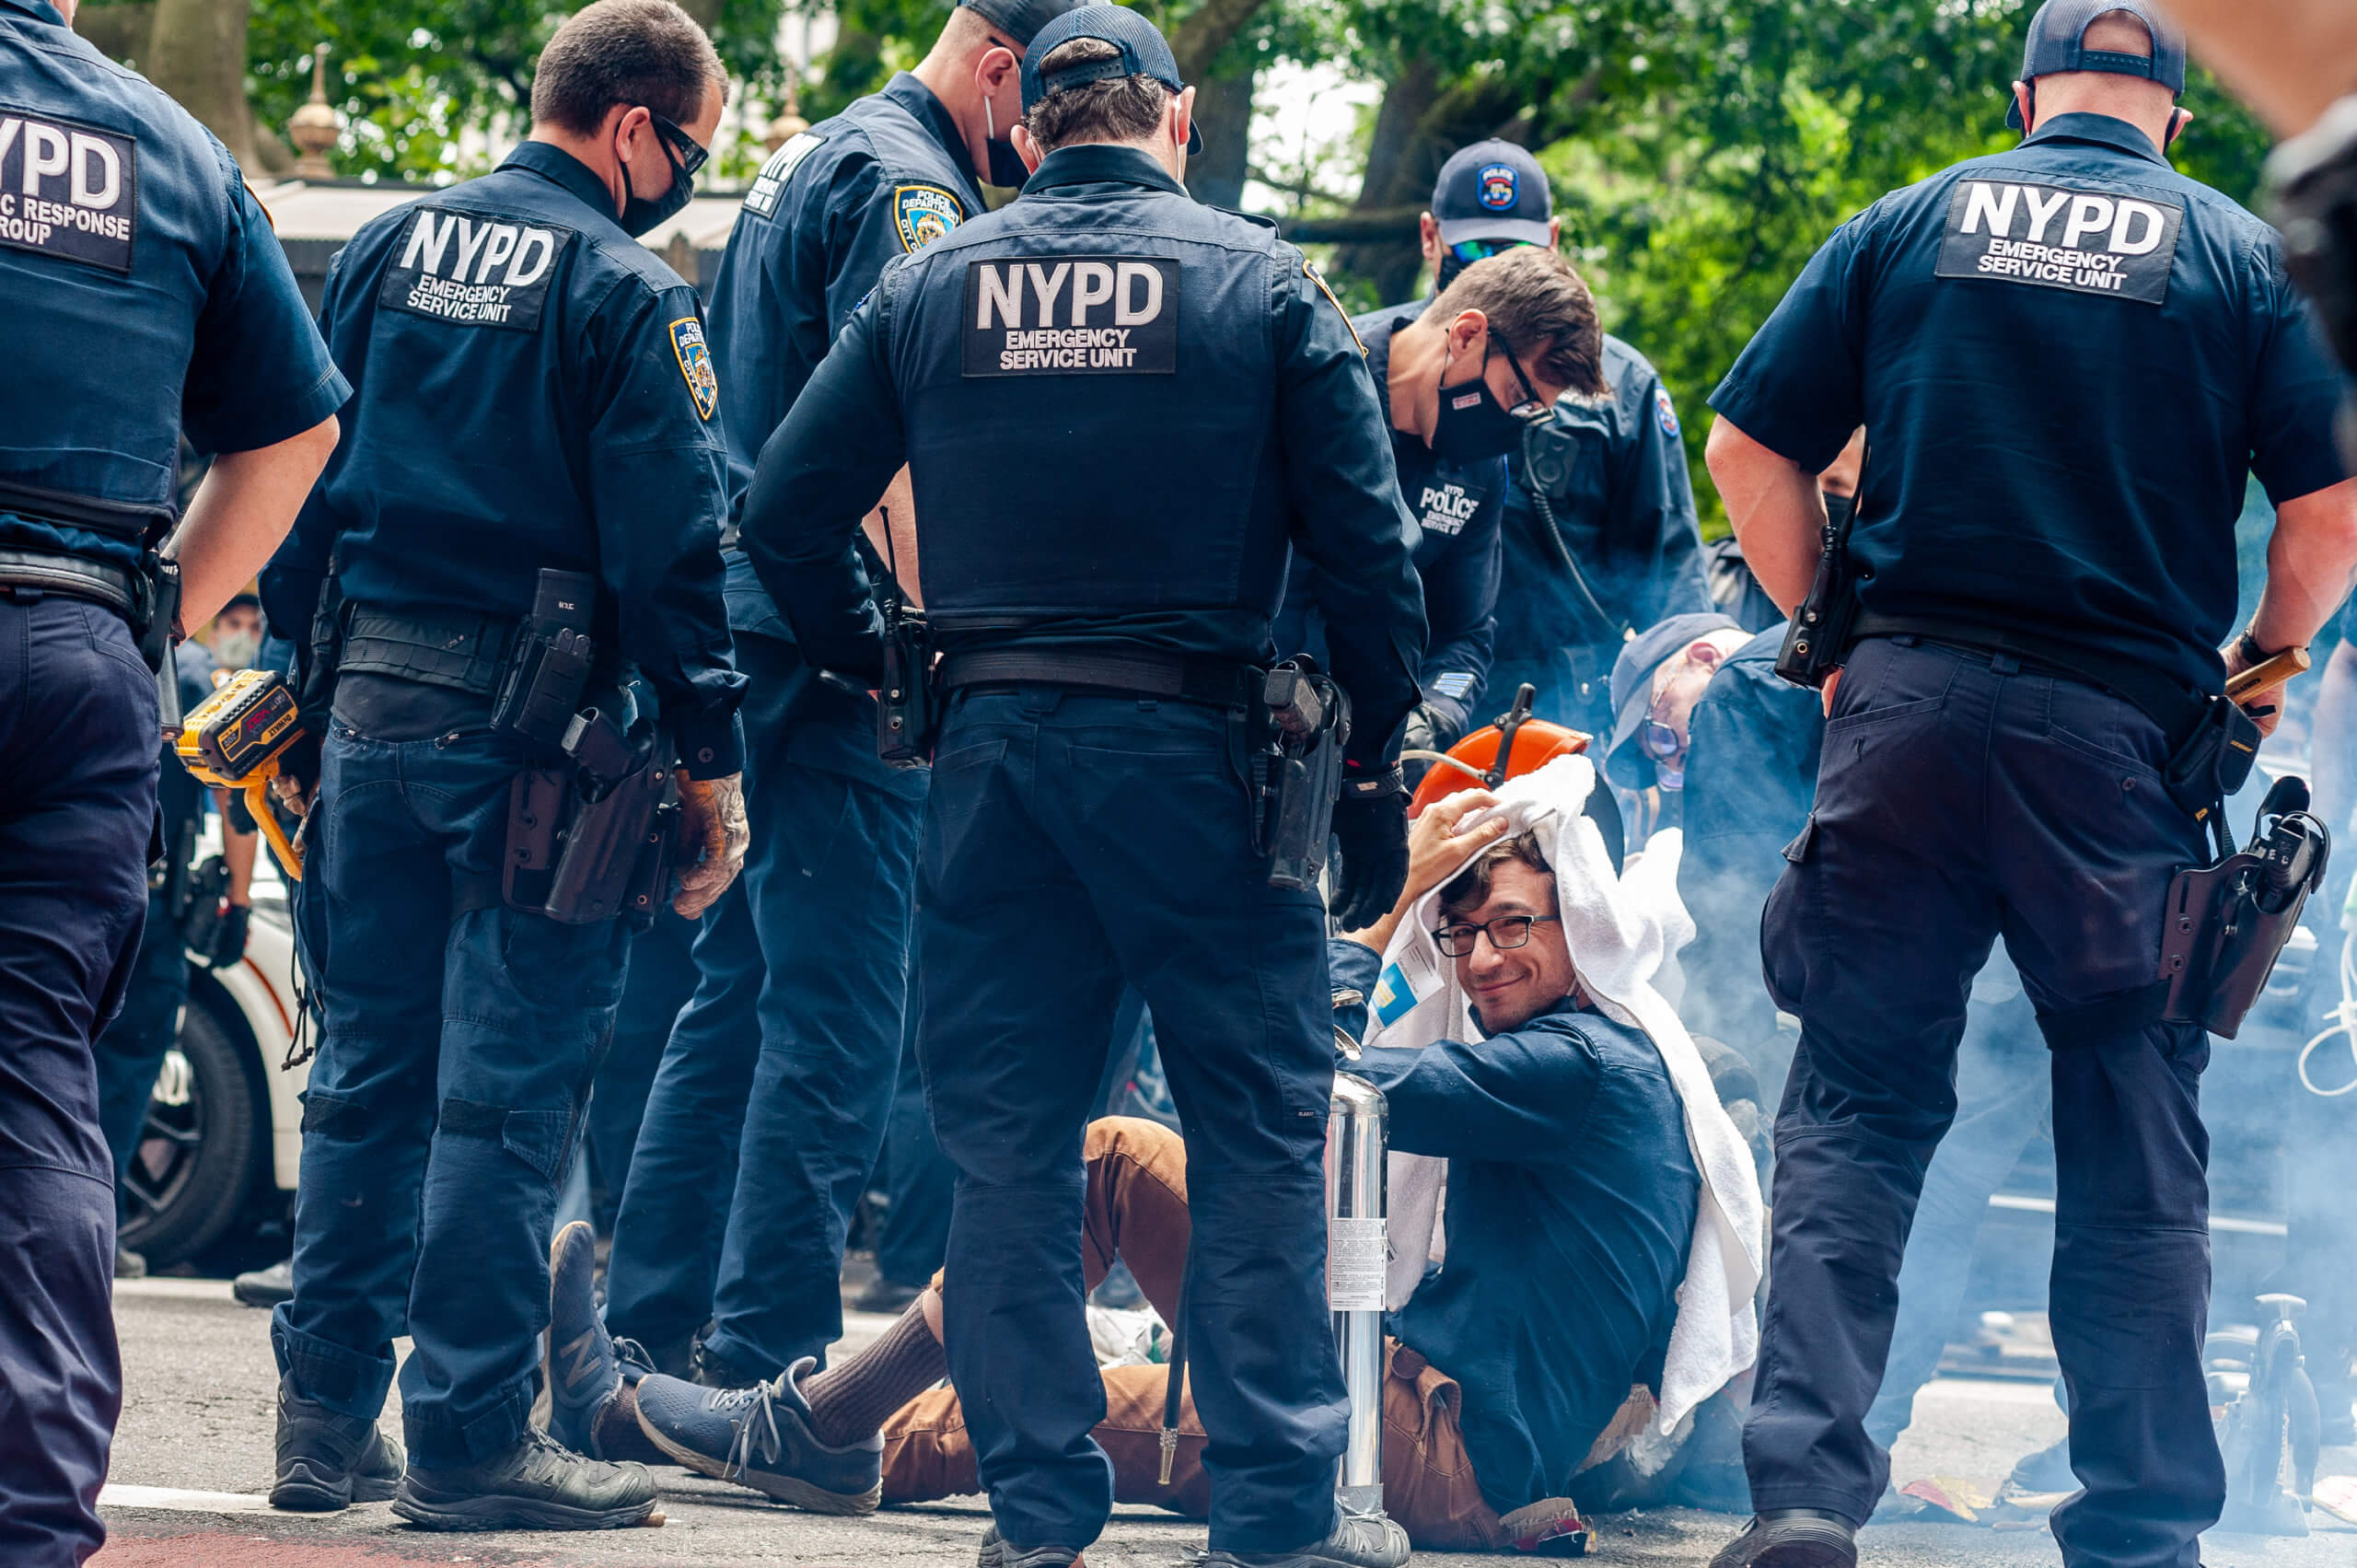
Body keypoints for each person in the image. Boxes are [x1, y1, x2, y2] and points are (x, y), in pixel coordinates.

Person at [633, 9, 1430, 1564]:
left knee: (1005, 1147)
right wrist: (1380, 768)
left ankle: (1040, 1514)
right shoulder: (1266, 285)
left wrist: (882, 657)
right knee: (1256, 1131)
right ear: (1174, 123)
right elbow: (1372, 558)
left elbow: (783, 511)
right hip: (1214, 763)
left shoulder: (936, 283)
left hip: (992, 763)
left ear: (1032, 120)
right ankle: (1272, 1519)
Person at [1701, 5, 2357, 1565]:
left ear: (2023, 97)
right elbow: (2330, 514)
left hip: (1905, 717)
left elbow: (1745, 450)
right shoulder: (2235, 254)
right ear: (2177, 117)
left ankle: (1802, 1496)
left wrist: (1834, 644)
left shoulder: (1910, 220)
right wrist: (2252, 682)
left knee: (1856, 1107)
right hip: (2120, 743)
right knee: (2131, 1124)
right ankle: (2135, 1524)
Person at [543, 796, 1704, 1549]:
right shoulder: (1591, 1056)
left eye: (1514, 924)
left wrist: (1393, 900)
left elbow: (1319, 1082)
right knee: (1106, 1161)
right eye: (1464, 934)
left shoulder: (1579, 1062)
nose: (1484, 956)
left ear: (1586, 925)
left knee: (1043, 1399)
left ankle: (713, 1424)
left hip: (1440, 1451)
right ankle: (767, 1422)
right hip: (1413, 1396)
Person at [254, 0, 749, 1531]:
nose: (686, 179)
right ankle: (470, 1435)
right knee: (504, 1103)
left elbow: (300, 477)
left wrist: (298, 675)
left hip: (368, 717)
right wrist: (716, 762)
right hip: (539, 749)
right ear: (634, 127)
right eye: (693, 151)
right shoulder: (623, 288)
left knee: (367, 1076)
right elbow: (675, 552)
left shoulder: (393, 251)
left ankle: (323, 1421)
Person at [601, 0, 1084, 1397]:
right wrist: (944, 643)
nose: (1036, 159)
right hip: (837, 646)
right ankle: (771, 1356)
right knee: (842, 1013)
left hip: (756, 624)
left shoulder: (812, 151)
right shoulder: (911, 184)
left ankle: (652, 1333)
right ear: (999, 71)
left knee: (739, 993)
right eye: (1038, 119)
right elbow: (908, 445)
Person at [0, 0, 345, 1559]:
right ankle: (31, 1510)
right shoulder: (177, 149)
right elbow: (293, 426)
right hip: (83, 653)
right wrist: (162, 616)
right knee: (34, 1096)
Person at [1400, 143, 1715, 739]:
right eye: (1472, 251)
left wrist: (1670, 731)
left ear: (1552, 240)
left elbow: (1670, 582)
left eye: (1514, 252)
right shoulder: (1376, 362)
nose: (1490, 272)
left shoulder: (1621, 385)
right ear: (1429, 237)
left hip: (1560, 717)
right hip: (1405, 706)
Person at [1276, 243, 1608, 753]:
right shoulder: (1313, 378)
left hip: (1365, 751)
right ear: (1468, 335)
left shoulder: (1481, 472)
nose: (1512, 430)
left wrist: (1434, 716)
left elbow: (1466, 637)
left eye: (1532, 414)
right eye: (1518, 400)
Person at [94, 633, 256, 1282]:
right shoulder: (191, 673)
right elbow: (234, 794)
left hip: (57, 884)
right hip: (147, 903)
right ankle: (95, 1226)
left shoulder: (85, 633)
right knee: (129, 1063)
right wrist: (238, 900)